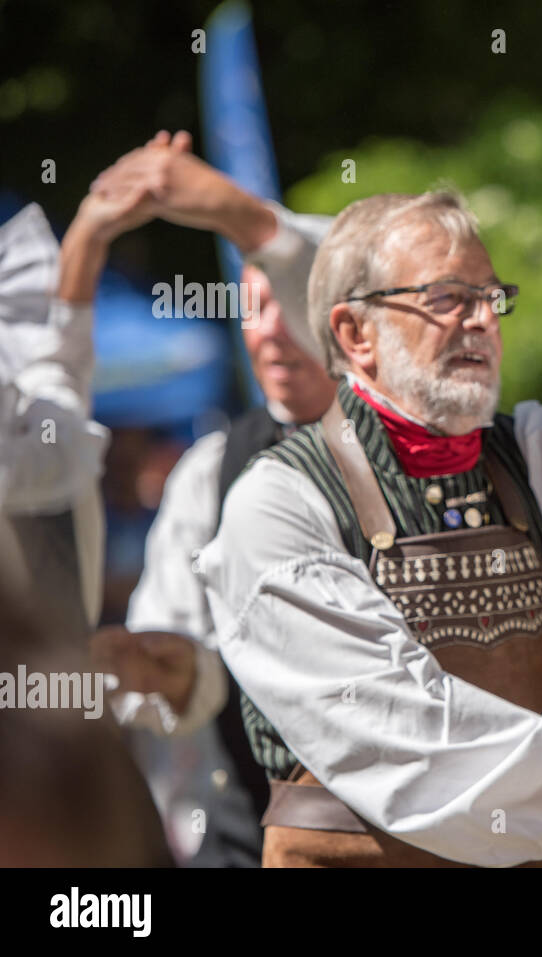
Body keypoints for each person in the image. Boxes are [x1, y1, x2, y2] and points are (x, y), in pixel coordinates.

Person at [188, 195, 542, 867]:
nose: (484, 318)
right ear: (355, 333)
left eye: (492, 296)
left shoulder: (528, 454)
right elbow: (406, 735)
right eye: (448, 297)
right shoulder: (281, 500)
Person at [86, 131, 338, 866]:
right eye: (251, 308)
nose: (270, 333)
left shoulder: (419, 453)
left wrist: (233, 210)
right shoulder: (211, 470)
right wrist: (169, 669)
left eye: (288, 302)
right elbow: (176, 653)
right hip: (255, 838)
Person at [0, 194, 170, 865]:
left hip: (69, 774)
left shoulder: (48, 444)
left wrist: (89, 242)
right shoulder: (49, 444)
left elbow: (57, 364)